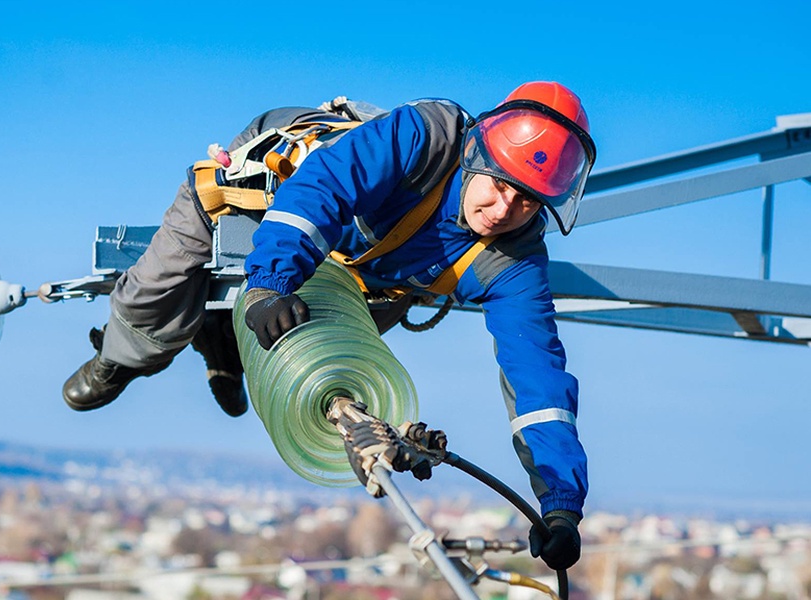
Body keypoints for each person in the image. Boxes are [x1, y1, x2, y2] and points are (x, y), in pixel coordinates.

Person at [63, 82, 595, 570]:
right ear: (478, 153)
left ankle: (222, 339)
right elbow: (325, 186)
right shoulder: (425, 137)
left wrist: (560, 505)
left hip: (362, 272)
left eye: (527, 199)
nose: (503, 209)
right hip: (268, 194)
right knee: (161, 288)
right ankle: (119, 359)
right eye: (499, 185)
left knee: (335, 355)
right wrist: (271, 283)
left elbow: (537, 380)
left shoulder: (514, 260)